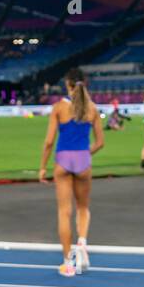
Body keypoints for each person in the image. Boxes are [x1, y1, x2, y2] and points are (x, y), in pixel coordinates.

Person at [38, 68, 104, 276]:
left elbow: (49, 142)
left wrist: (42, 167)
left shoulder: (58, 108)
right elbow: (100, 142)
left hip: (63, 161)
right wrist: (86, 153)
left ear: (67, 84)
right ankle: (82, 243)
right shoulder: (92, 108)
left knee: (64, 212)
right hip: (83, 160)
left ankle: (68, 263)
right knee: (83, 208)